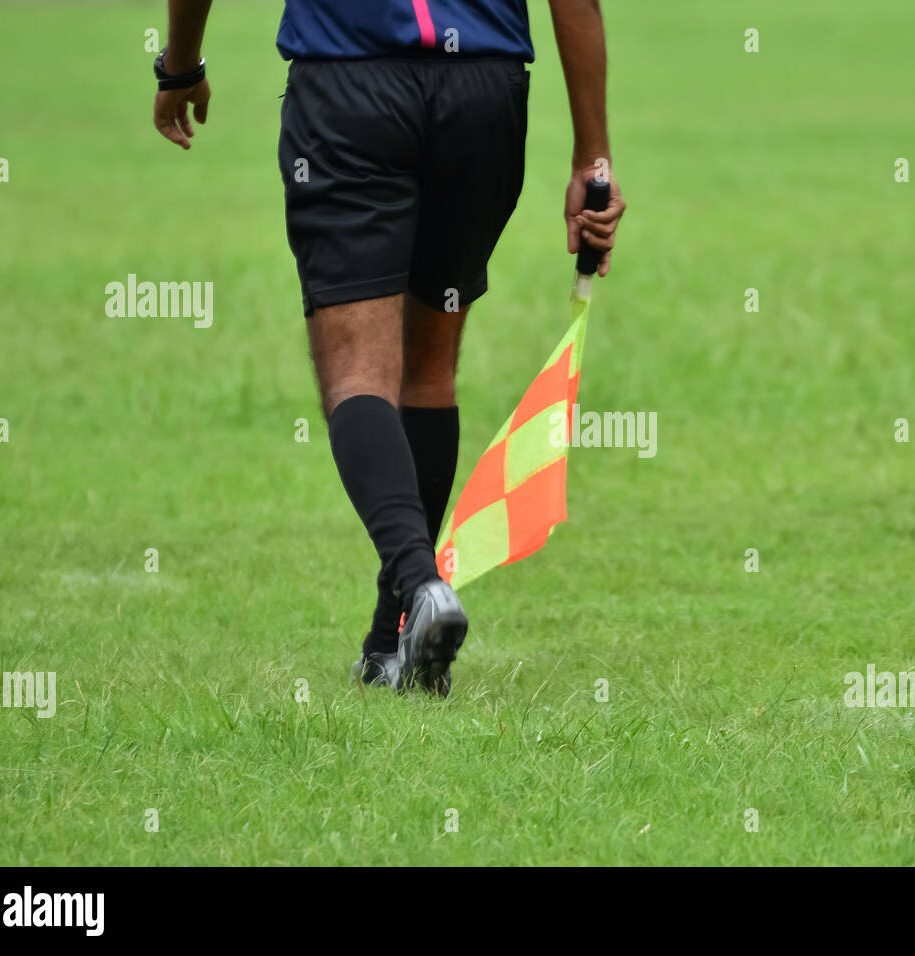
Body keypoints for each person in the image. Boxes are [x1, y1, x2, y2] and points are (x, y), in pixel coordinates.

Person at [151, 0, 626, 696]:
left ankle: (422, 586)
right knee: (429, 372)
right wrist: (592, 153)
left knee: (356, 376)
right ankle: (389, 641)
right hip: (483, 94)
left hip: (349, 85)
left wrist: (181, 64)